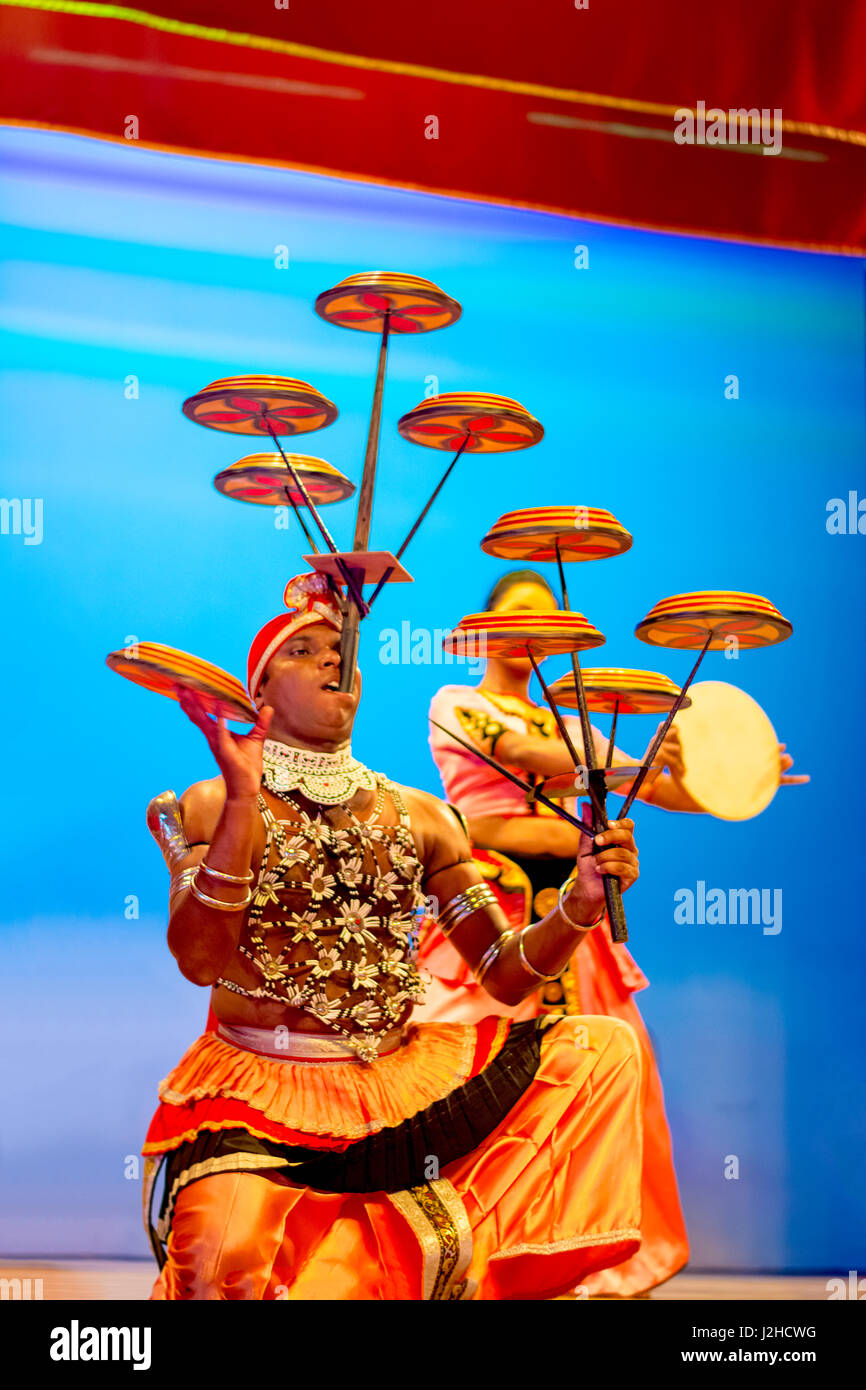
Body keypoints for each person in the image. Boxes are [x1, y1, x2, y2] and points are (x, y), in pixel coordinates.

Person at [141, 572, 645, 1301]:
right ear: (259, 692)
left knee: (599, 1051)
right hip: (257, 1097)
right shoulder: (213, 801)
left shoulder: (425, 817)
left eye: (341, 648)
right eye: (303, 650)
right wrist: (248, 802)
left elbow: (505, 975)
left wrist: (579, 906)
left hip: (394, 1088)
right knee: (221, 1270)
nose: (329, 661)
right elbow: (198, 960)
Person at [422, 568, 808, 1296]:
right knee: (468, 1075)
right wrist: (633, 760)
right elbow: (533, 760)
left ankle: (579, 1262)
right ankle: (466, 1254)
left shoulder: (578, 728)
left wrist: (736, 778)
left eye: (551, 623)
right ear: (486, 630)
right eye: (520, 620)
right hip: (487, 907)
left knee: (597, 1075)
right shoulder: (459, 703)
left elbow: (651, 788)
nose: (536, 635)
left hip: (574, 911)